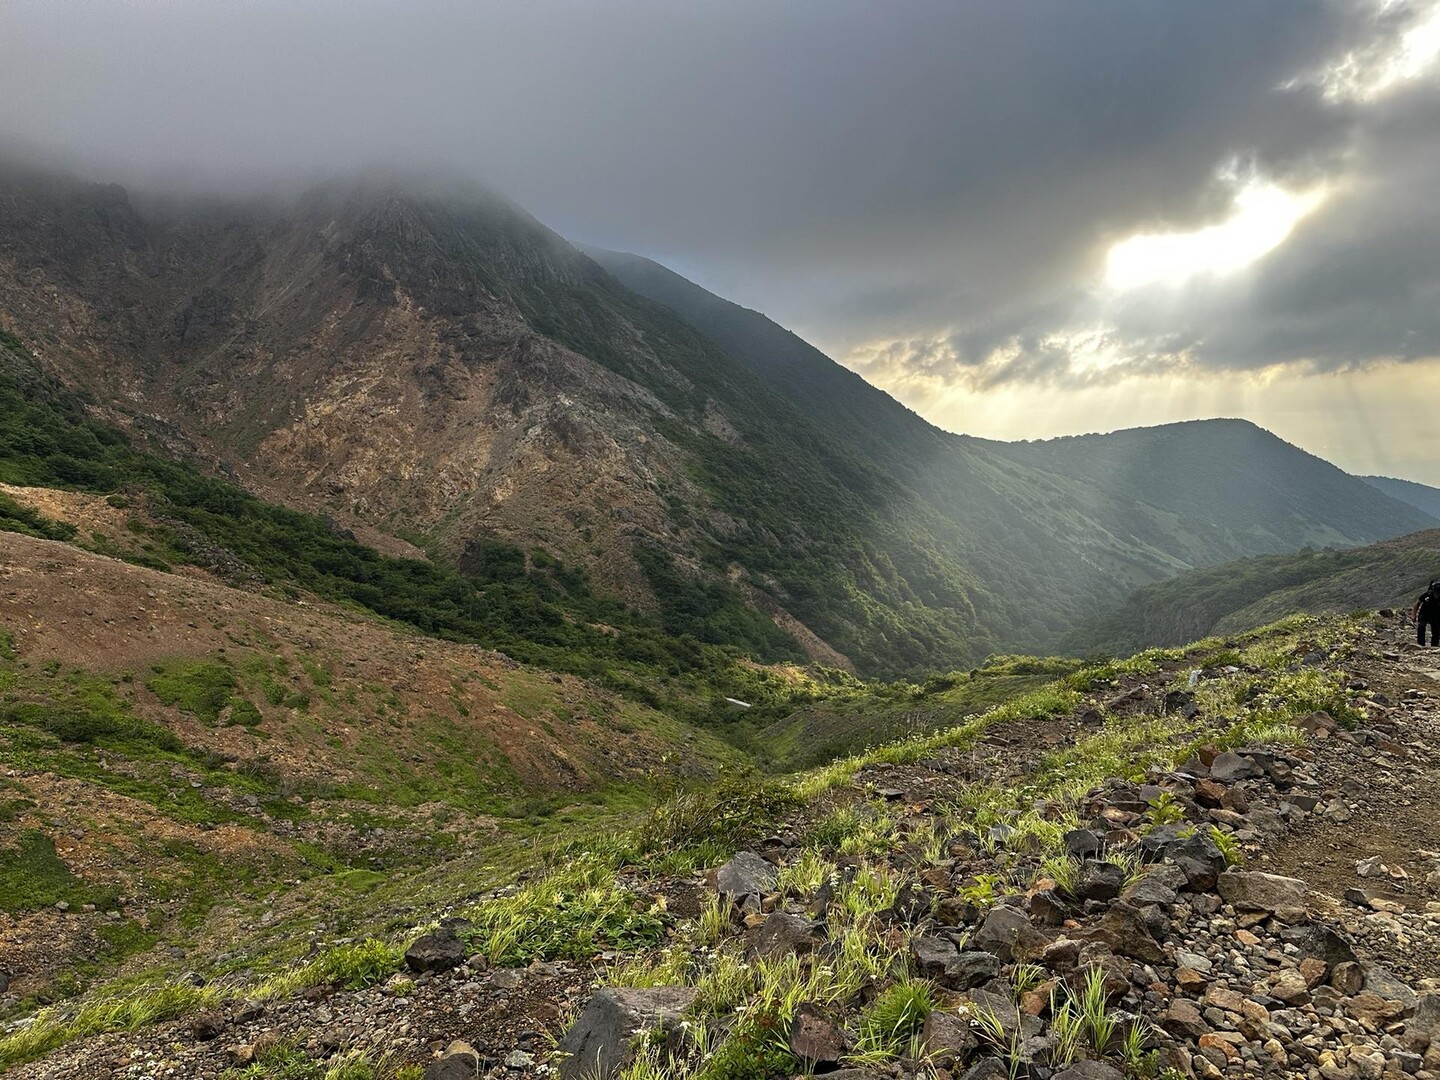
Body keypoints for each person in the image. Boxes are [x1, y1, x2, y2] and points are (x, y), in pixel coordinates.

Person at [1413, 581, 1440, 646]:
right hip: (1424, 613)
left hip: (1436, 614)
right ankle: (1421, 644)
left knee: (1436, 629)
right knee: (1421, 626)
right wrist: (1413, 614)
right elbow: (1418, 603)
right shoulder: (1427, 595)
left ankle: (1434, 645)